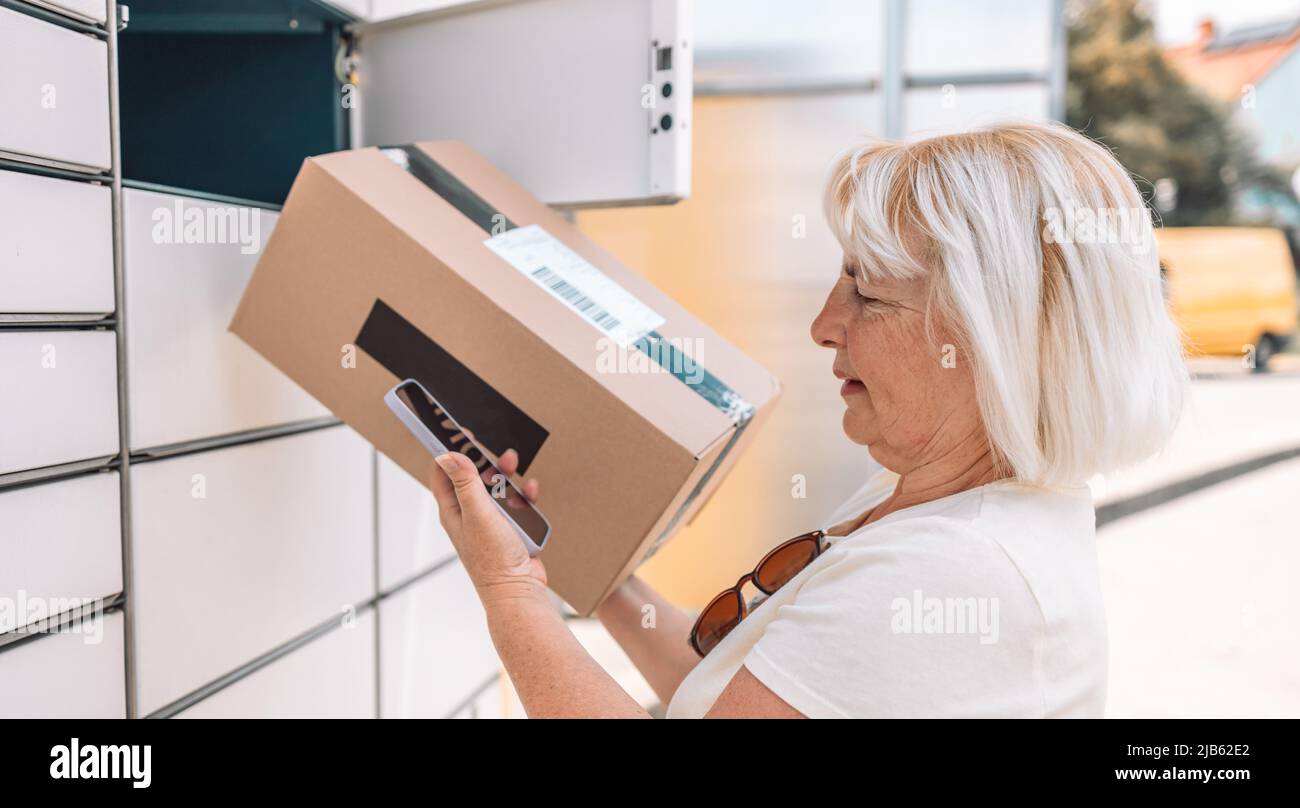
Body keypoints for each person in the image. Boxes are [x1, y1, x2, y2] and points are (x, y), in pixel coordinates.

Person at [428, 121, 1188, 718]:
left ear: (992, 339)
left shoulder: (951, 572)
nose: (824, 324)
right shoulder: (942, 502)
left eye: (870, 293)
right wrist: (587, 563)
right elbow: (732, 690)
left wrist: (509, 592)